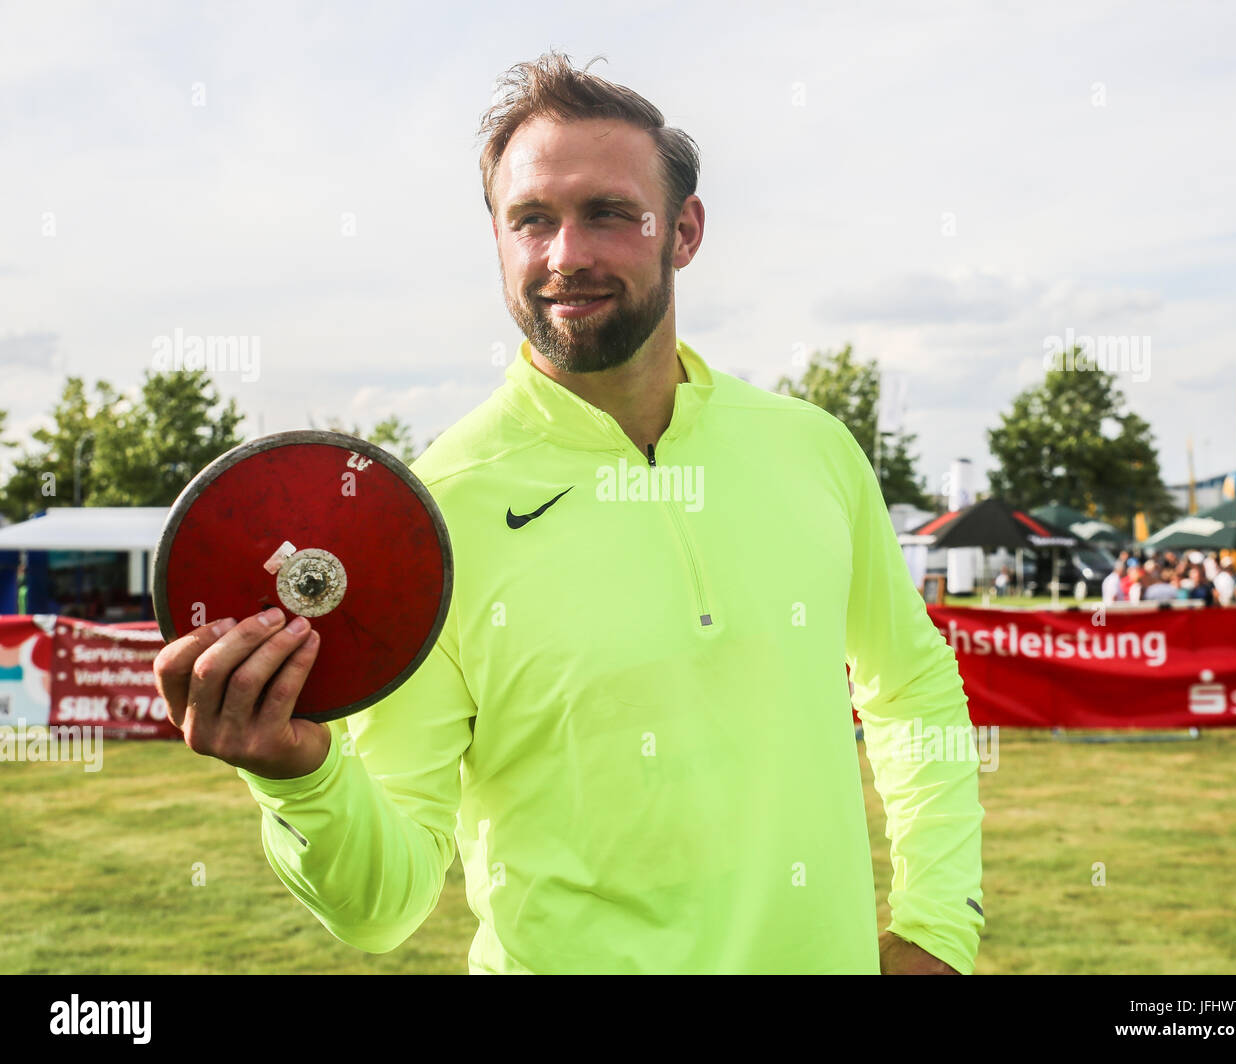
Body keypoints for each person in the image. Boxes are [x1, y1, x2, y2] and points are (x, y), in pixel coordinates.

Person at [152, 51, 983, 976]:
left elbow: (910, 690)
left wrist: (939, 924)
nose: (566, 255)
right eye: (532, 219)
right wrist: (301, 782)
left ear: (684, 229)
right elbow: (387, 906)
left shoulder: (814, 450)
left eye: (607, 214)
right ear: (499, 240)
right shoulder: (429, 516)